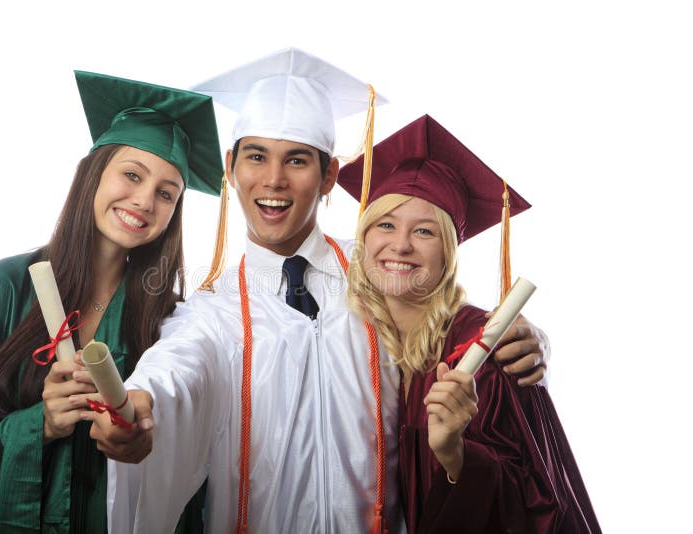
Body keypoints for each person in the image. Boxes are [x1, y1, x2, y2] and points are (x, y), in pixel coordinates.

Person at [94, 48, 549, 533]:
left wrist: (526, 337)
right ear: (231, 167)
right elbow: (175, 368)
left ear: (330, 174)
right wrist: (142, 402)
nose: (273, 180)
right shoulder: (213, 312)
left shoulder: (379, 268)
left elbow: (447, 322)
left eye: (296, 160)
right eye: (256, 157)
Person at [0, 71, 223, 533]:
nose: (144, 201)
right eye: (132, 175)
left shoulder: (174, 324)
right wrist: (38, 425)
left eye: (166, 193)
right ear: (93, 174)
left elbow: (193, 467)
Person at [340, 114, 600, 532]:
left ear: (449, 251)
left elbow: (539, 505)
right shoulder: (347, 331)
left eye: (424, 231)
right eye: (385, 224)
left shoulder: (486, 353)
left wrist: (457, 456)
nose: (400, 244)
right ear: (363, 238)